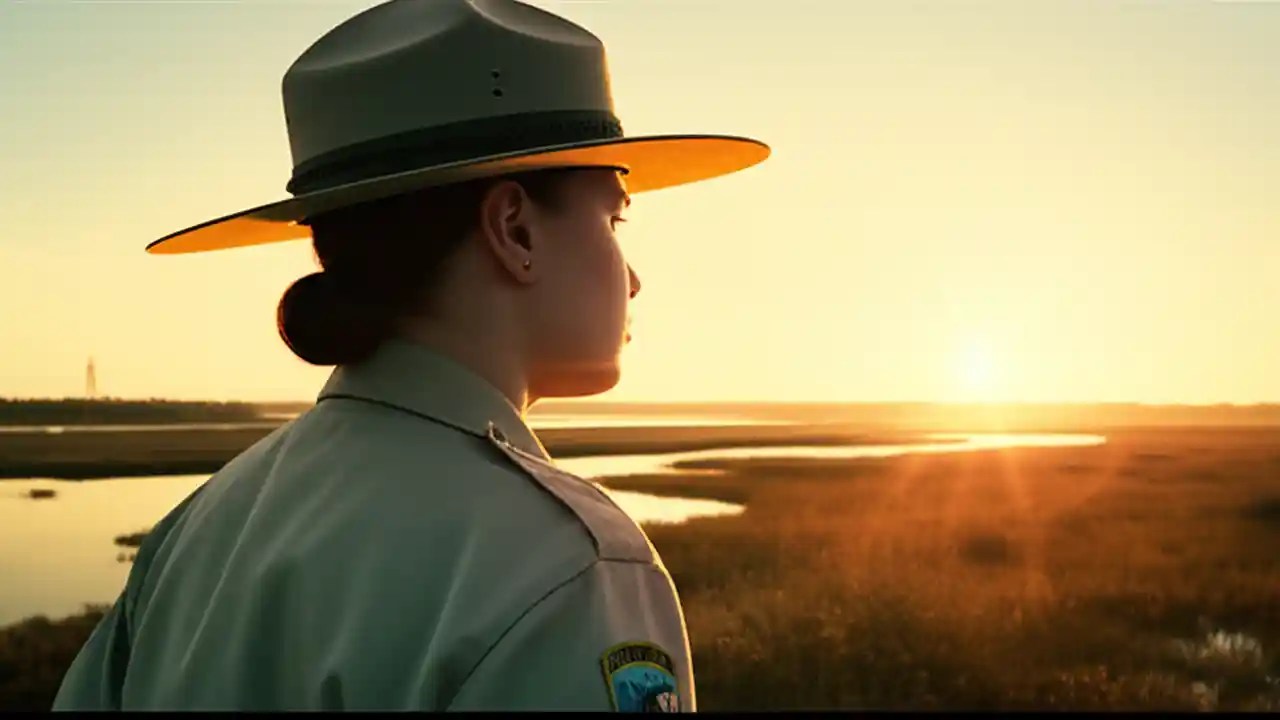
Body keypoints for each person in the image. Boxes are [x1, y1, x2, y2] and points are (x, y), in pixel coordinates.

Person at [52, 0, 768, 711]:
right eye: (613, 218)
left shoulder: (199, 529)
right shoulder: (562, 563)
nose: (633, 277)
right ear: (514, 230)